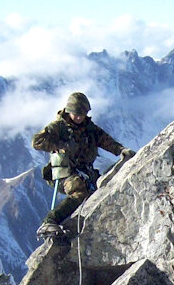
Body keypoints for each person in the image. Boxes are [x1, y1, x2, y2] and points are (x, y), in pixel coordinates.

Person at [32, 92, 135, 239]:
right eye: (76, 114)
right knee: (79, 192)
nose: (79, 117)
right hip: (63, 174)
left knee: (103, 189)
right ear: (69, 112)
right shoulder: (58, 127)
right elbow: (37, 141)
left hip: (84, 172)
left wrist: (121, 150)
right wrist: (62, 146)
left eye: (82, 114)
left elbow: (105, 140)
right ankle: (49, 221)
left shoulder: (89, 128)